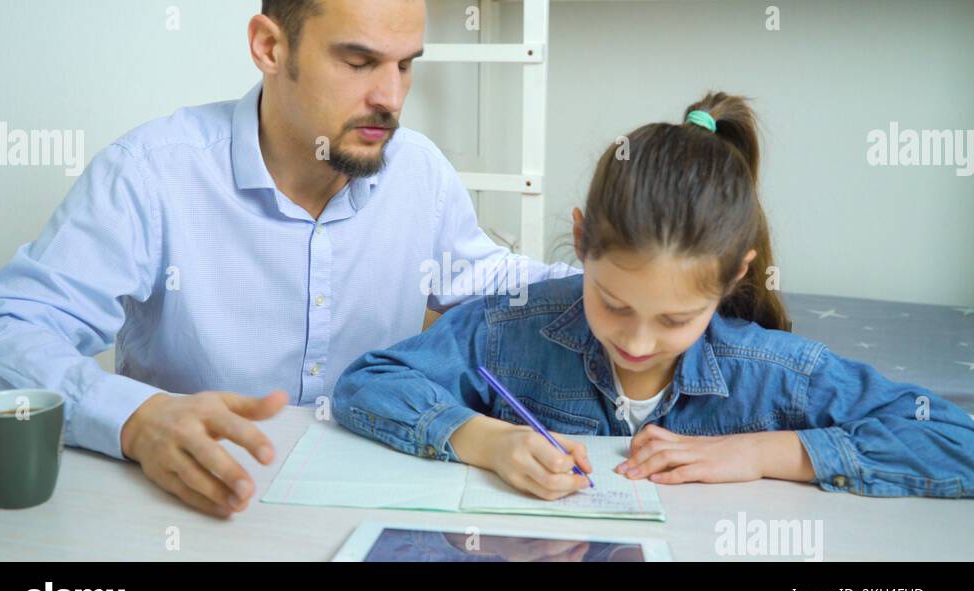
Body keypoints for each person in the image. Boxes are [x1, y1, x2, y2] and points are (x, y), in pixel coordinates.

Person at [0, 0, 576, 518]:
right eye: (358, 61)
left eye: (405, 64)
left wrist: (644, 288)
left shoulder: (420, 174)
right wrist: (135, 419)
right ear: (268, 46)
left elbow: (504, 284)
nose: (390, 98)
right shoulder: (150, 174)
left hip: (376, 509)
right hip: (186, 515)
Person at [333, 91, 974, 500]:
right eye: (612, 303)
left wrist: (763, 451)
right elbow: (368, 382)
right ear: (580, 242)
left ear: (733, 279)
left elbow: (956, 441)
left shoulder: (772, 372)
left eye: (675, 319)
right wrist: (485, 440)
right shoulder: (512, 327)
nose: (637, 342)